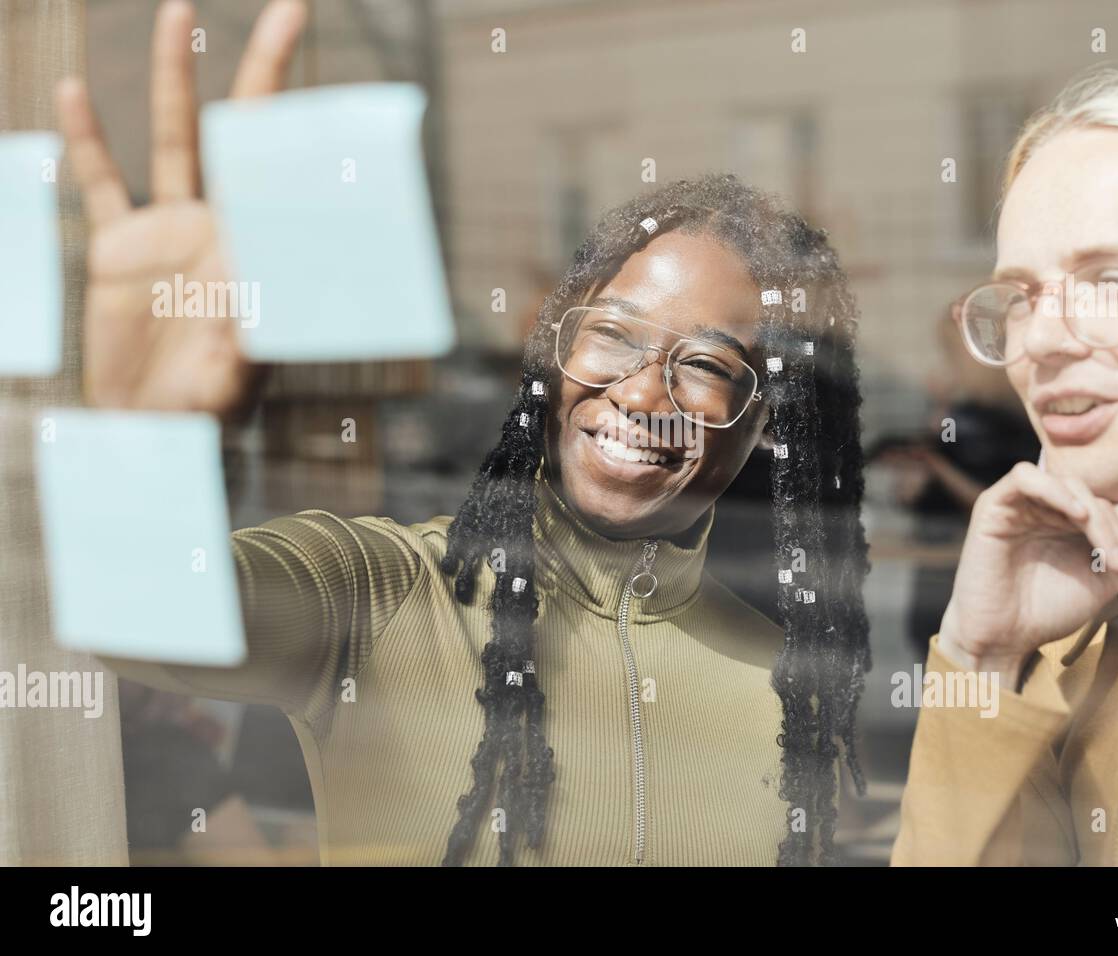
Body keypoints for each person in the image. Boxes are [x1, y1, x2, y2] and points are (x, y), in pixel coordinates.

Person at [56, 0, 871, 866]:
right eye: (612, 334)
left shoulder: (787, 679)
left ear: (765, 419)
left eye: (705, 364)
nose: (639, 391)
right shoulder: (386, 596)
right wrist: (146, 435)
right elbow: (137, 618)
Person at [893, 69, 1118, 865]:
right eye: (1020, 295)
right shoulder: (1059, 626)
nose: (1044, 342)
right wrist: (979, 656)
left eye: (1114, 283)